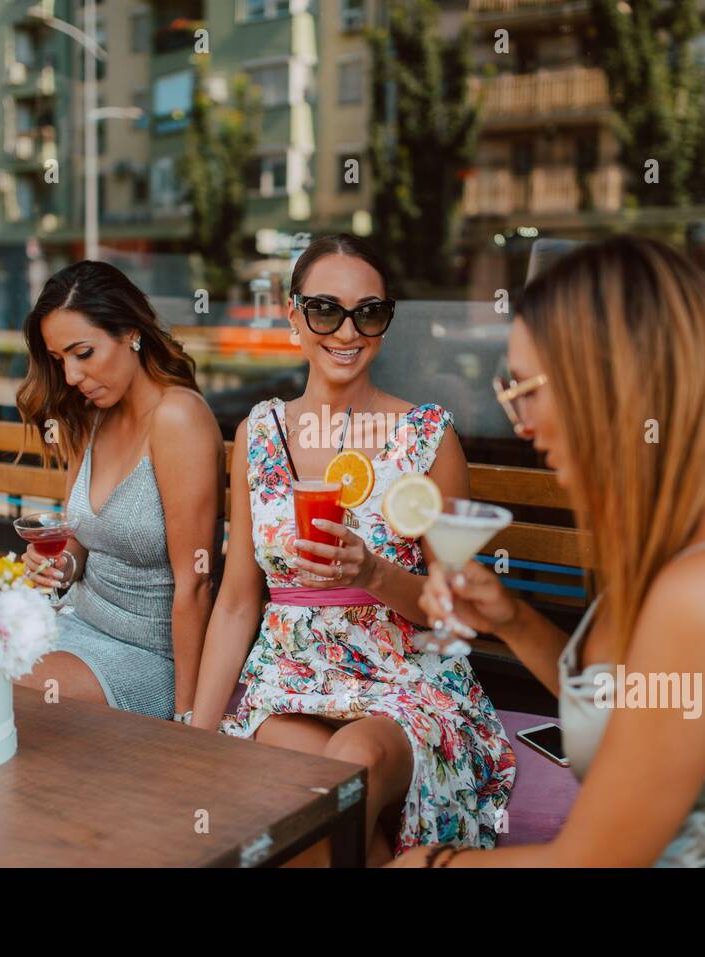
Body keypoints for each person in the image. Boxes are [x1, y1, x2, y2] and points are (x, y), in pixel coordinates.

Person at [401, 235, 705, 867]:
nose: (520, 422)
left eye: (526, 389)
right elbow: (628, 705)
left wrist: (431, 864)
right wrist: (510, 619)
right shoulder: (691, 523)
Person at [191, 234, 515, 866]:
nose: (347, 330)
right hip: (290, 678)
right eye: (324, 310)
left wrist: (372, 572)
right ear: (293, 316)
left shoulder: (427, 436)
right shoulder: (258, 432)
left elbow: (452, 613)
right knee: (310, 791)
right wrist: (198, 737)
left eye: (369, 312)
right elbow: (235, 602)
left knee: (351, 765)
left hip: (404, 677)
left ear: (386, 322)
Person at [15, 261, 222, 720]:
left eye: (82, 353)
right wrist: (56, 567)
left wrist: (187, 719)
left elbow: (197, 581)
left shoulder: (177, 418)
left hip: (148, 656)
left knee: (10, 686)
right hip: (74, 621)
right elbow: (78, 544)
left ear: (131, 333)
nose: (70, 376)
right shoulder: (91, 416)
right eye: (58, 360)